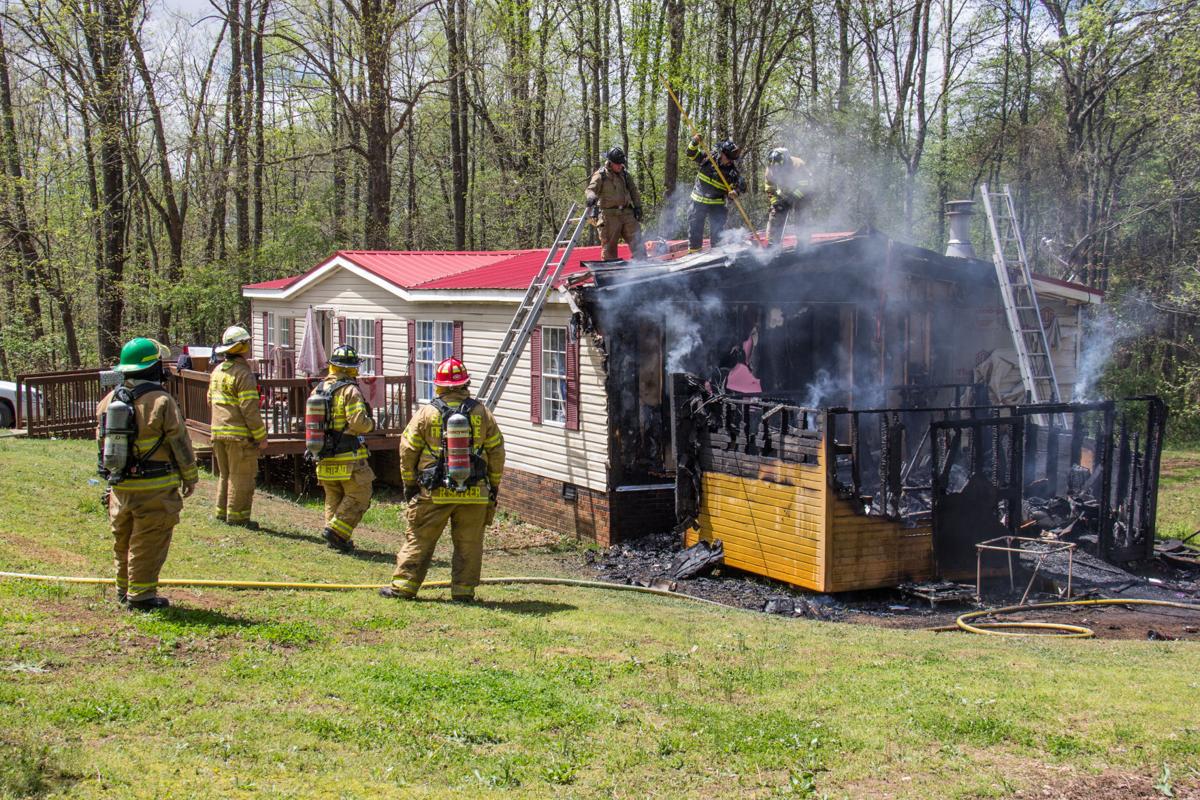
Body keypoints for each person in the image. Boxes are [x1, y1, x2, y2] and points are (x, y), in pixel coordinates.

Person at [382, 357, 505, 602]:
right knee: (469, 544)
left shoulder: (427, 412)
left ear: (439, 385)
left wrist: (409, 483)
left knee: (420, 538)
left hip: (433, 491)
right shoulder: (482, 412)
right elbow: (497, 451)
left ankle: (404, 588)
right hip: (475, 490)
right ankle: (463, 592)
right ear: (465, 383)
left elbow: (408, 449)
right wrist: (493, 486)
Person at [96, 337, 198, 610]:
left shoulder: (108, 401)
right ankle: (141, 598)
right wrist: (190, 476)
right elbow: (179, 442)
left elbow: (101, 446)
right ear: (153, 367)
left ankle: (123, 589)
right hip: (155, 488)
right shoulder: (161, 401)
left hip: (120, 487)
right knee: (148, 541)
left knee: (123, 540)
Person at [310, 345, 376, 553]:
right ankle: (337, 532)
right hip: (349, 456)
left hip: (323, 455)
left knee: (334, 497)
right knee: (360, 494)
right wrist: (371, 425)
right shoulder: (350, 390)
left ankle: (335, 537)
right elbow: (358, 422)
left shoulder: (318, 389)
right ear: (350, 369)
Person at [207, 325, 266, 527]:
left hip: (217, 433)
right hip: (239, 437)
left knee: (225, 475)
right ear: (241, 347)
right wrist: (260, 436)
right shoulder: (243, 374)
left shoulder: (217, 372)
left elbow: (210, 400)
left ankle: (222, 512)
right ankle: (238, 517)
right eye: (247, 343)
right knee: (242, 477)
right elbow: (250, 409)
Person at [686, 135, 746, 252]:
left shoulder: (732, 172)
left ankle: (717, 258)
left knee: (718, 234)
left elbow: (742, 186)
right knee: (695, 231)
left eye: (732, 159)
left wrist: (735, 192)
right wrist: (694, 142)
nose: (730, 161)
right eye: (728, 157)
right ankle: (694, 254)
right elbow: (691, 153)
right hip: (698, 201)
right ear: (722, 153)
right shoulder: (708, 158)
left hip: (717, 204)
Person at [586, 145, 643, 261]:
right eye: (618, 164)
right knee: (609, 248)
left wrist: (638, 206)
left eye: (622, 163)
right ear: (610, 163)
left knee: (637, 241)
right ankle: (610, 272)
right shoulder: (600, 175)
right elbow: (590, 189)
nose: (620, 166)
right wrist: (591, 197)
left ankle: (642, 265)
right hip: (609, 216)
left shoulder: (625, 174)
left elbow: (633, 191)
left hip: (627, 213)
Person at [764, 147, 812, 245]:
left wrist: (794, 196)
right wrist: (775, 202)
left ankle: (803, 243)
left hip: (803, 193)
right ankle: (773, 244)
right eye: (774, 167)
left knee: (801, 214)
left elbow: (807, 184)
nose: (776, 169)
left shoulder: (798, 165)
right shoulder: (770, 168)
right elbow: (769, 187)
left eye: (778, 167)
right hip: (784, 192)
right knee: (775, 214)